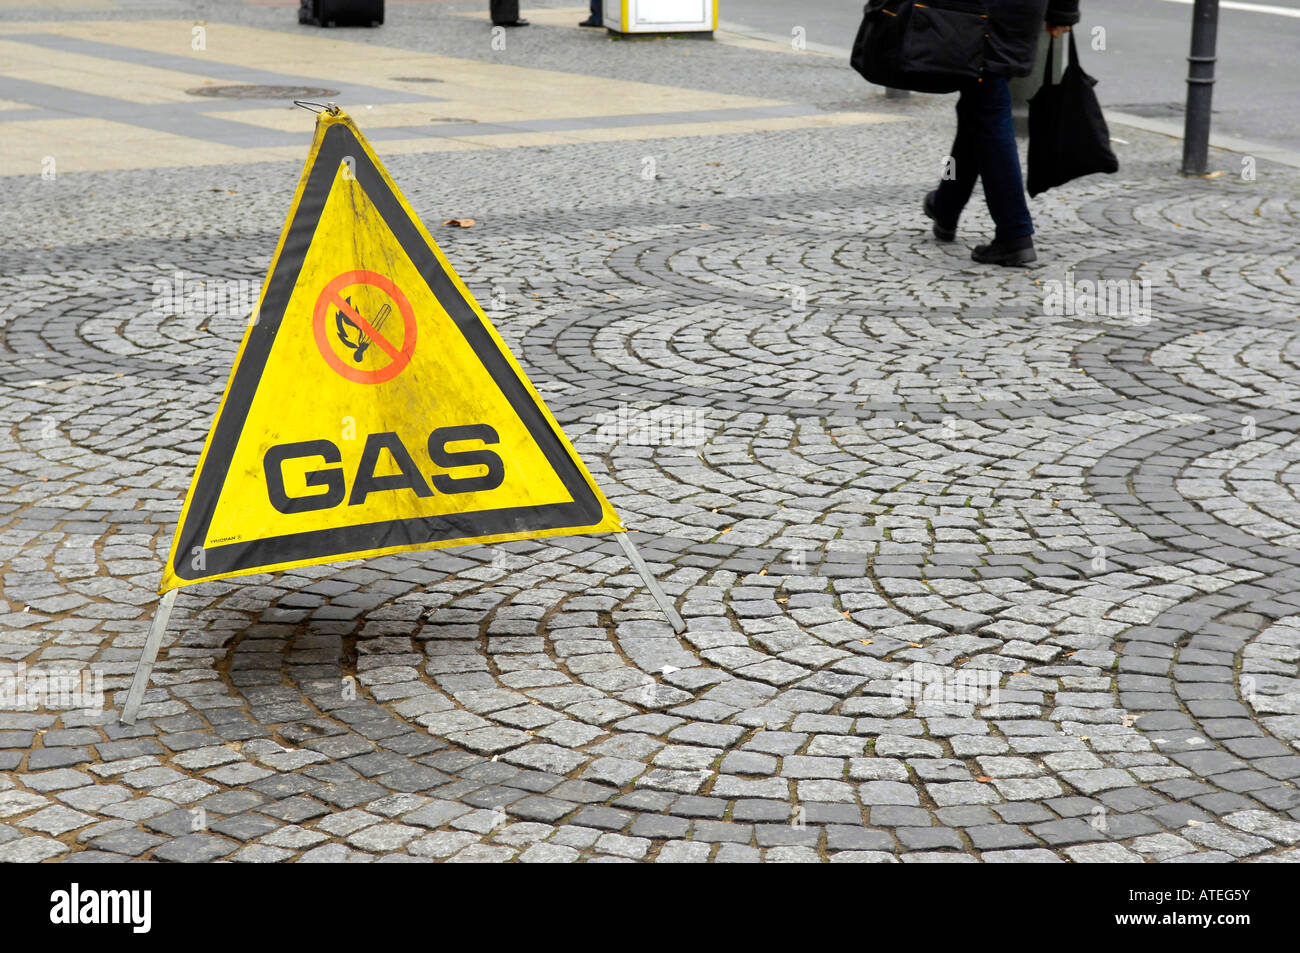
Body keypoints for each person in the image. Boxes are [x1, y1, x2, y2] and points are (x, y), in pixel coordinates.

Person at [924, 0, 1080, 266]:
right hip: (1018, 14)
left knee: (988, 109)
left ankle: (1014, 234)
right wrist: (1061, 11)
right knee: (977, 107)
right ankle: (945, 207)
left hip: (982, 14)